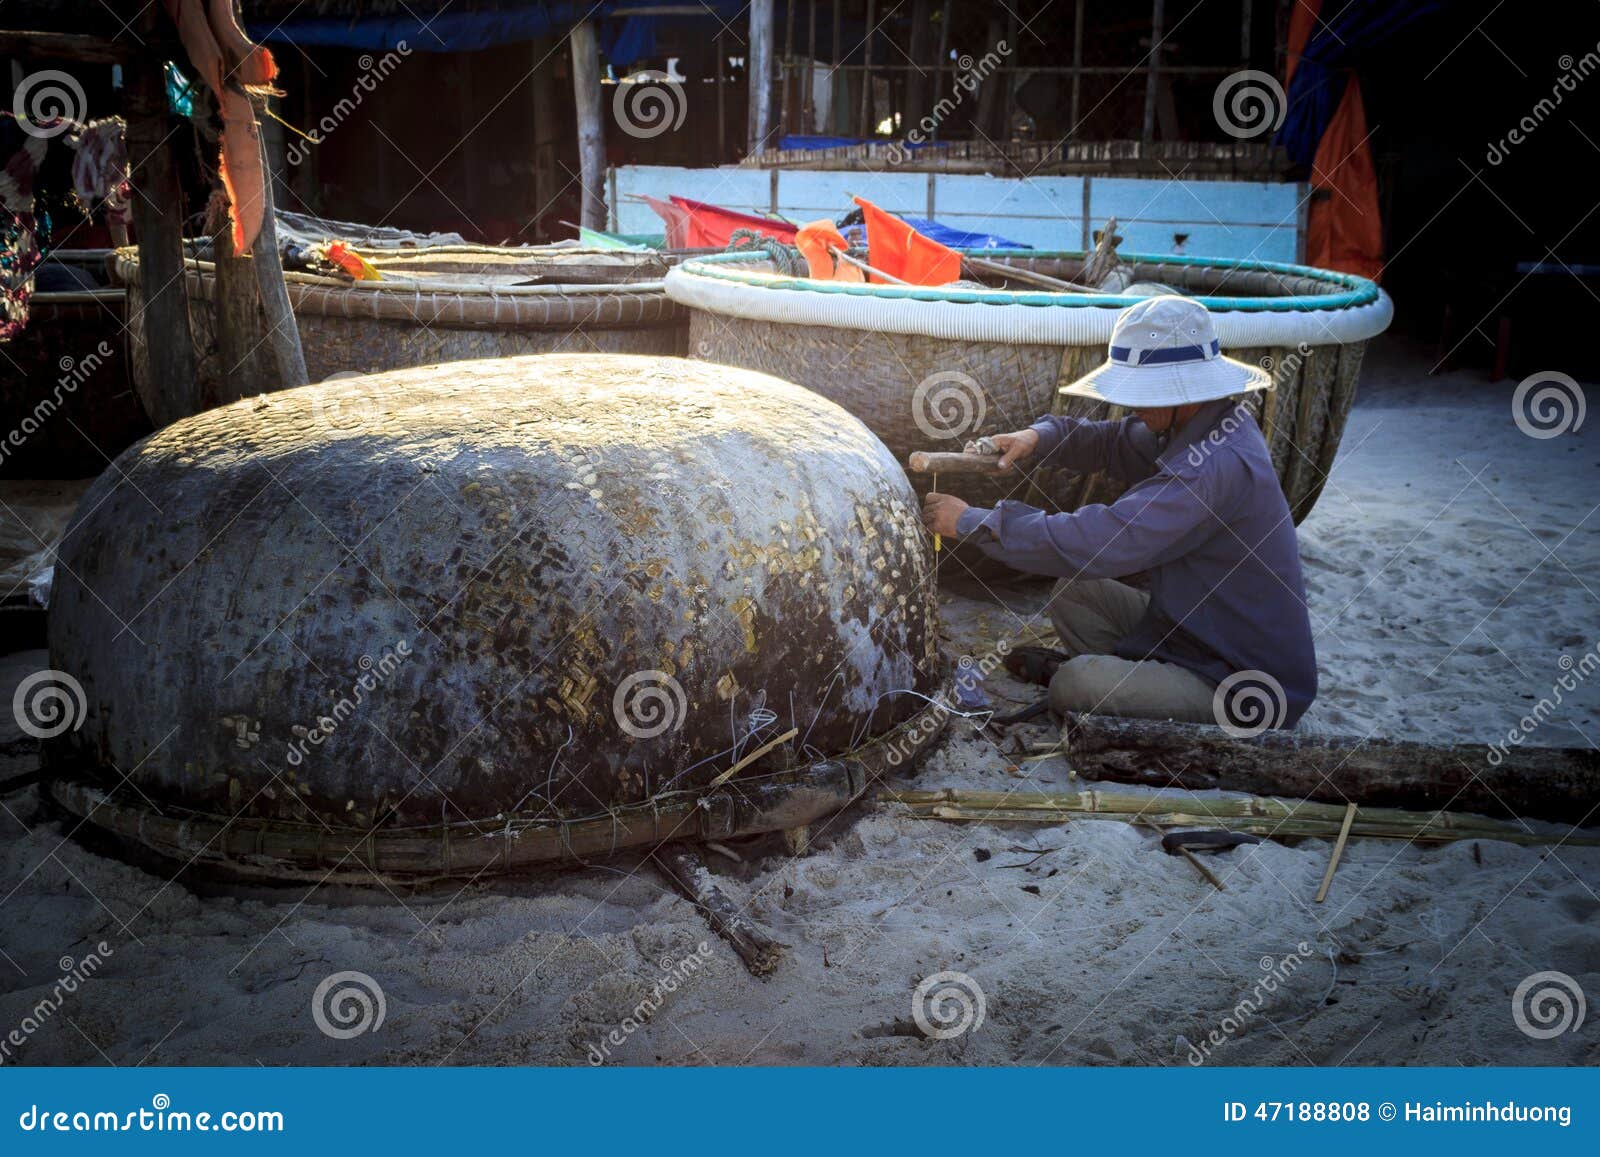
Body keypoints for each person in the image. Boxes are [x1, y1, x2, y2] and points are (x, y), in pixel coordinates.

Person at [920, 296, 1316, 729]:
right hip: (1192, 631)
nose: (1132, 407)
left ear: (1182, 391)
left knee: (1074, 683)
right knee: (1077, 591)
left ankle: (1110, 685)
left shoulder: (1209, 469)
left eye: (1141, 394)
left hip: (1244, 684)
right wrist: (1039, 436)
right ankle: (1137, 684)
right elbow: (1112, 442)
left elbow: (1098, 542)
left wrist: (971, 522)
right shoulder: (1201, 422)